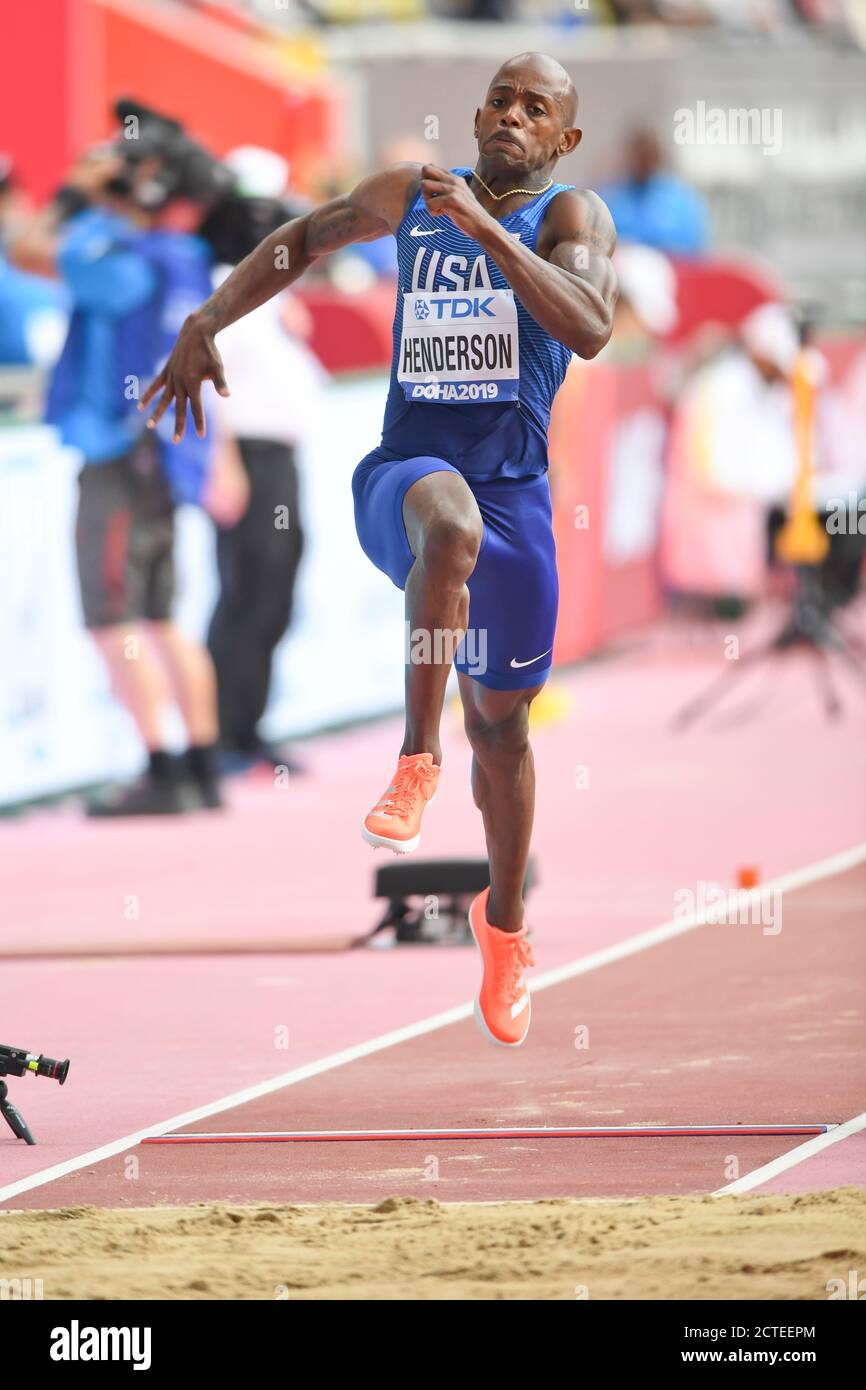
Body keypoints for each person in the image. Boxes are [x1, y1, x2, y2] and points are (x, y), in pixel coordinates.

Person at [140, 52, 618, 1045]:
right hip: (402, 475)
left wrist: (488, 233)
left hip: (516, 497)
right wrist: (207, 317)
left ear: (562, 138)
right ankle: (412, 758)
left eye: (535, 108)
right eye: (498, 98)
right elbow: (304, 238)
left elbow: (589, 327)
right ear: (475, 110)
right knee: (446, 522)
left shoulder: (571, 218)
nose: (510, 115)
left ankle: (506, 924)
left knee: (505, 732)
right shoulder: (409, 195)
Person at [9, 147, 222, 815]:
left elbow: (29, 250)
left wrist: (81, 196)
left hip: (121, 458)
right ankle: (200, 769)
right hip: (157, 456)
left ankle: (161, 769)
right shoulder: (181, 257)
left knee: (115, 620)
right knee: (159, 618)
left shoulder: (121, 261)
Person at [598, 127, 709, 258]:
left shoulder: (681, 200)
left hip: (671, 270)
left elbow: (694, 249)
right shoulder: (613, 196)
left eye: (648, 155)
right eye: (638, 155)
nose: (642, 161)